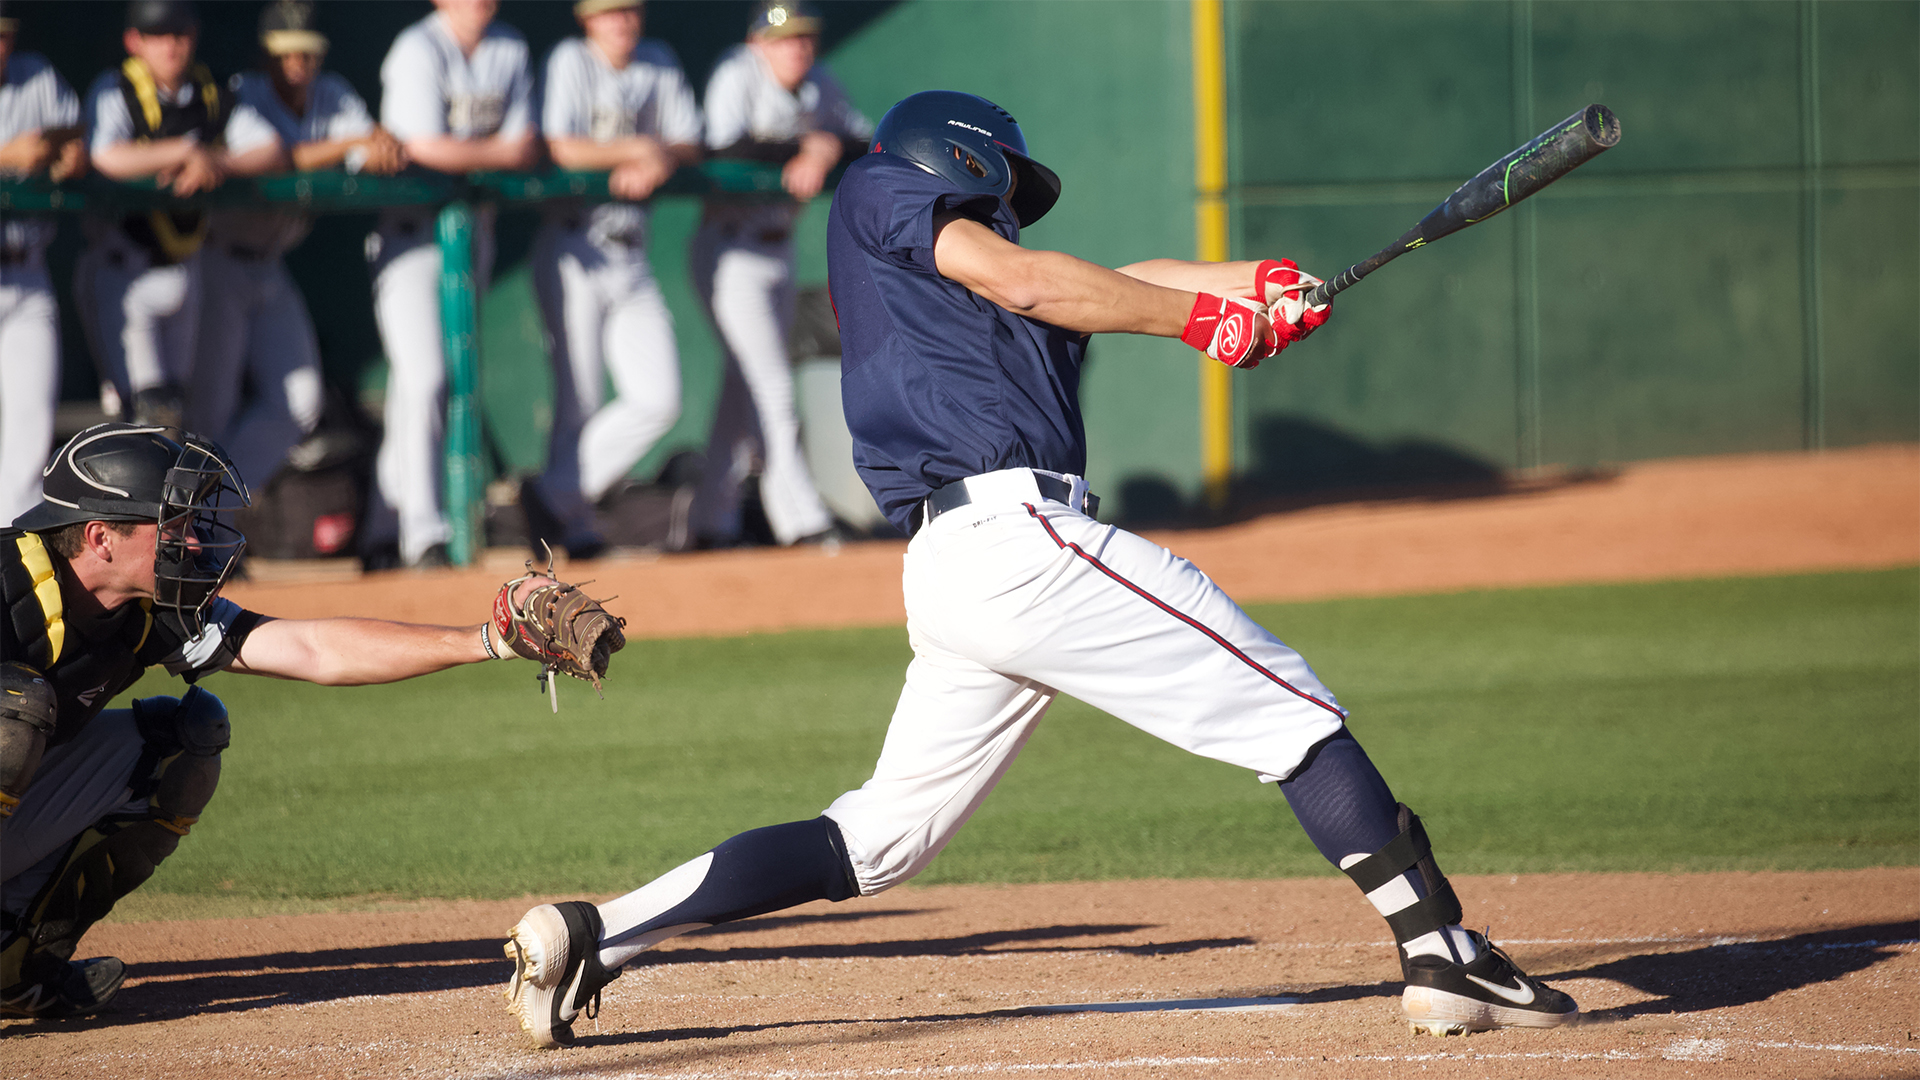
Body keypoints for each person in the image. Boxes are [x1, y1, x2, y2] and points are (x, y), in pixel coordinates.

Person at [501, 91, 1579, 1049]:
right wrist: (1206, 321)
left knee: (877, 839)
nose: (1009, 210)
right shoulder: (886, 189)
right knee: (1293, 709)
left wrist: (1254, 285)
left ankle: (599, 933)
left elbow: (1107, 282)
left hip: (967, 571)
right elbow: (1029, 277)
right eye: (1001, 187)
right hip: (1019, 543)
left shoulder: (974, 305)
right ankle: (1442, 953)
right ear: (957, 161)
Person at [0, 422, 567, 1019]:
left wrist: (489, 638)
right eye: (173, 526)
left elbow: (314, 649)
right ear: (100, 537)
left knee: (183, 747)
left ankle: (15, 964)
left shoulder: (149, 609)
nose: (192, 543)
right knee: (17, 709)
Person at [192, 1, 405, 496]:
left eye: (307, 54)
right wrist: (350, 143)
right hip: (219, 259)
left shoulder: (332, 94)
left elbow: (367, 148)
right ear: (267, 55)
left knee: (301, 403)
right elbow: (282, 159)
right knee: (209, 411)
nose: (298, 65)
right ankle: (181, 526)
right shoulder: (245, 94)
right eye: (286, 54)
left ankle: (211, 511)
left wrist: (375, 148)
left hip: (271, 265)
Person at [685, 0, 870, 549]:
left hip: (778, 249)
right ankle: (800, 519)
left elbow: (865, 141)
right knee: (771, 385)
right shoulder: (734, 75)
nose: (798, 49)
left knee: (742, 388)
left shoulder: (819, 83)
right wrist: (805, 144)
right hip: (729, 250)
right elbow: (723, 147)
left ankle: (711, 519)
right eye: (784, 39)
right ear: (757, 43)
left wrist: (828, 143)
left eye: (805, 38)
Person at [522, 0, 701, 560]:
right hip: (576, 244)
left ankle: (553, 494)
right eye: (608, 13)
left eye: (629, 11)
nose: (622, 21)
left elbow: (690, 142)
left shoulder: (658, 61)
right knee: (578, 399)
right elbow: (561, 146)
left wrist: (661, 159)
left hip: (632, 252)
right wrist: (636, 147)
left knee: (659, 399)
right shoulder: (572, 61)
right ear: (586, 19)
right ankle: (572, 526)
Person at [363, 0, 536, 570]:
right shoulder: (418, 47)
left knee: (425, 386)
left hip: (471, 235)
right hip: (410, 237)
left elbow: (526, 146)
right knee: (426, 378)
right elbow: (420, 147)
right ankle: (424, 533)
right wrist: (494, 155)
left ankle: (383, 526)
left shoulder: (509, 47)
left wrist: (472, 156)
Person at [75, 0, 282, 431]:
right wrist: (185, 150)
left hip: (185, 271)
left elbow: (270, 149)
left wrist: (216, 164)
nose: (170, 46)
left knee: (176, 426)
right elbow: (105, 156)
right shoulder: (116, 90)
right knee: (145, 421)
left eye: (180, 34)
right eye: (157, 36)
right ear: (135, 41)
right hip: (123, 271)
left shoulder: (206, 93)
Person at [0, 3, 85, 525]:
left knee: (30, 430)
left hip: (27, 271)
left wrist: (65, 149)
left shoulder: (36, 76)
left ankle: (7, 563)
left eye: (4, 35)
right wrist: (10, 156)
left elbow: (74, 132)